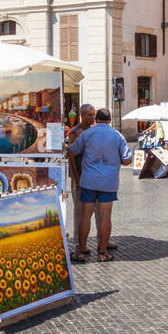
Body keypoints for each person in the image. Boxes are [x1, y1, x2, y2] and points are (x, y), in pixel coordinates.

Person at [66, 107, 132, 262]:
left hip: (89, 181)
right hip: (108, 182)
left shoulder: (87, 134)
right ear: (110, 120)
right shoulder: (117, 136)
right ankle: (103, 252)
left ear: (97, 120)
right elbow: (128, 160)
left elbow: (72, 151)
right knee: (105, 217)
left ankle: (81, 250)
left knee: (85, 216)